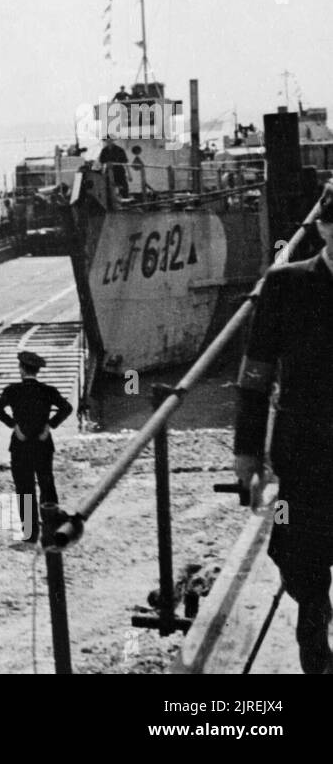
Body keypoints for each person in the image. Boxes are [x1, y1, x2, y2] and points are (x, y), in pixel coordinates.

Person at [233, 183, 333, 673]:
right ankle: (314, 621)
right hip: (303, 453)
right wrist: (247, 453)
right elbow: (255, 377)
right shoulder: (285, 285)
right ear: (322, 227)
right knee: (296, 548)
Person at [0, 350, 73, 543]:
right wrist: (50, 425)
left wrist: (13, 425)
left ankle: (30, 532)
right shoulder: (48, 390)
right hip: (43, 444)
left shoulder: (12, 390)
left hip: (20, 444)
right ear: (37, 371)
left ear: (21, 369)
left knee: (24, 488)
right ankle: (51, 527)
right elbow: (67, 408)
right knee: (46, 485)